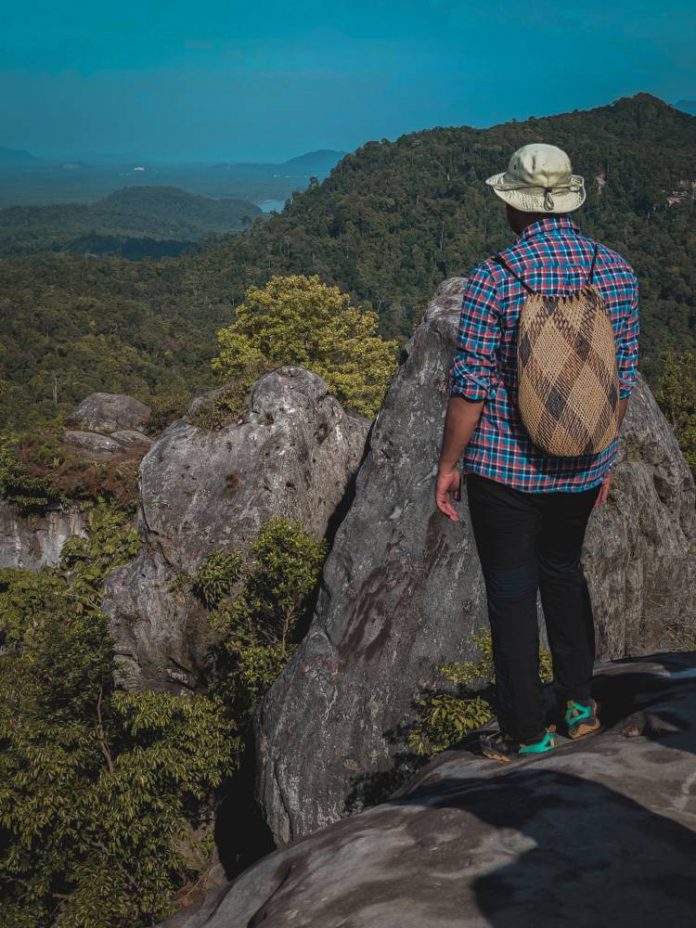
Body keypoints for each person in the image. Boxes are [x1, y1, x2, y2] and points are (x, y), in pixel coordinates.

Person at [435, 143, 640, 762]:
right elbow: (620, 381)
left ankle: (526, 732)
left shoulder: (493, 279)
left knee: (512, 591)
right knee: (564, 571)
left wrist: (448, 467)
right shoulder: (616, 272)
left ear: (515, 205)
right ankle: (579, 706)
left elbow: (470, 388)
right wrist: (599, 457)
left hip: (505, 469)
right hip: (582, 464)